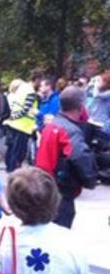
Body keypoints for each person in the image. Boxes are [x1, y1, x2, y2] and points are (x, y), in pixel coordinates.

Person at [35, 86, 98, 228]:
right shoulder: (70, 130)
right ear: (81, 107)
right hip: (59, 190)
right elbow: (80, 156)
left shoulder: (53, 125)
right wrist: (91, 179)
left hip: (45, 185)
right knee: (60, 230)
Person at [3, 80, 39, 172]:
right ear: (37, 80)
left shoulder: (19, 91)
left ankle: (10, 169)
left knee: (11, 149)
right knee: (19, 152)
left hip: (13, 123)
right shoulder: (31, 92)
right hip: (23, 126)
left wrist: (12, 117)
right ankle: (14, 171)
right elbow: (26, 109)